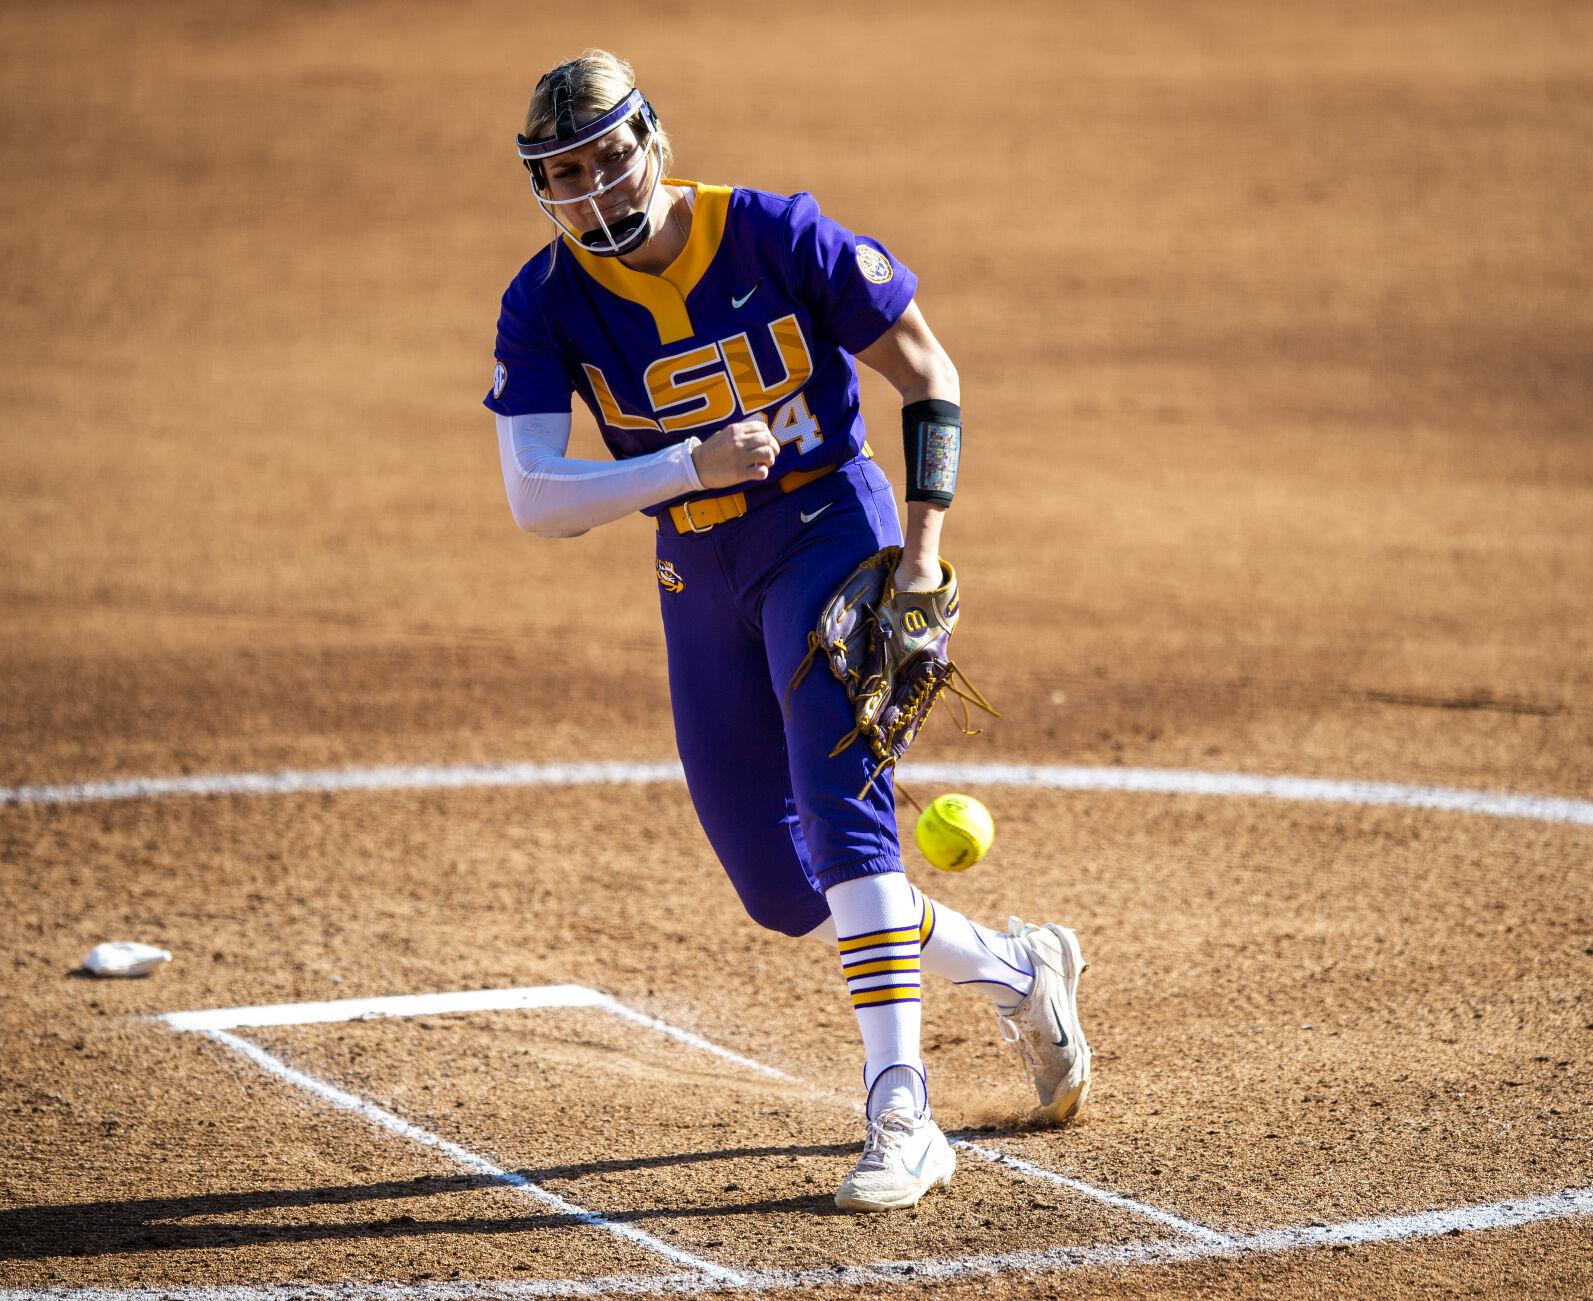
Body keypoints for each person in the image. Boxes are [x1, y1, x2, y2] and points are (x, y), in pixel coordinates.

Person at [485, 49, 1091, 1213]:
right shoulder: (546, 300)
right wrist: (686, 466)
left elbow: (929, 372)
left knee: (842, 807)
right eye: (566, 174)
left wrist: (921, 553)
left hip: (827, 531)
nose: (595, 189)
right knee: (780, 883)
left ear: (653, 139)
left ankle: (902, 1110)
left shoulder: (774, 234)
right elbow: (536, 496)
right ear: (541, 186)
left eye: (610, 157)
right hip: (696, 565)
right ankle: (1020, 971)